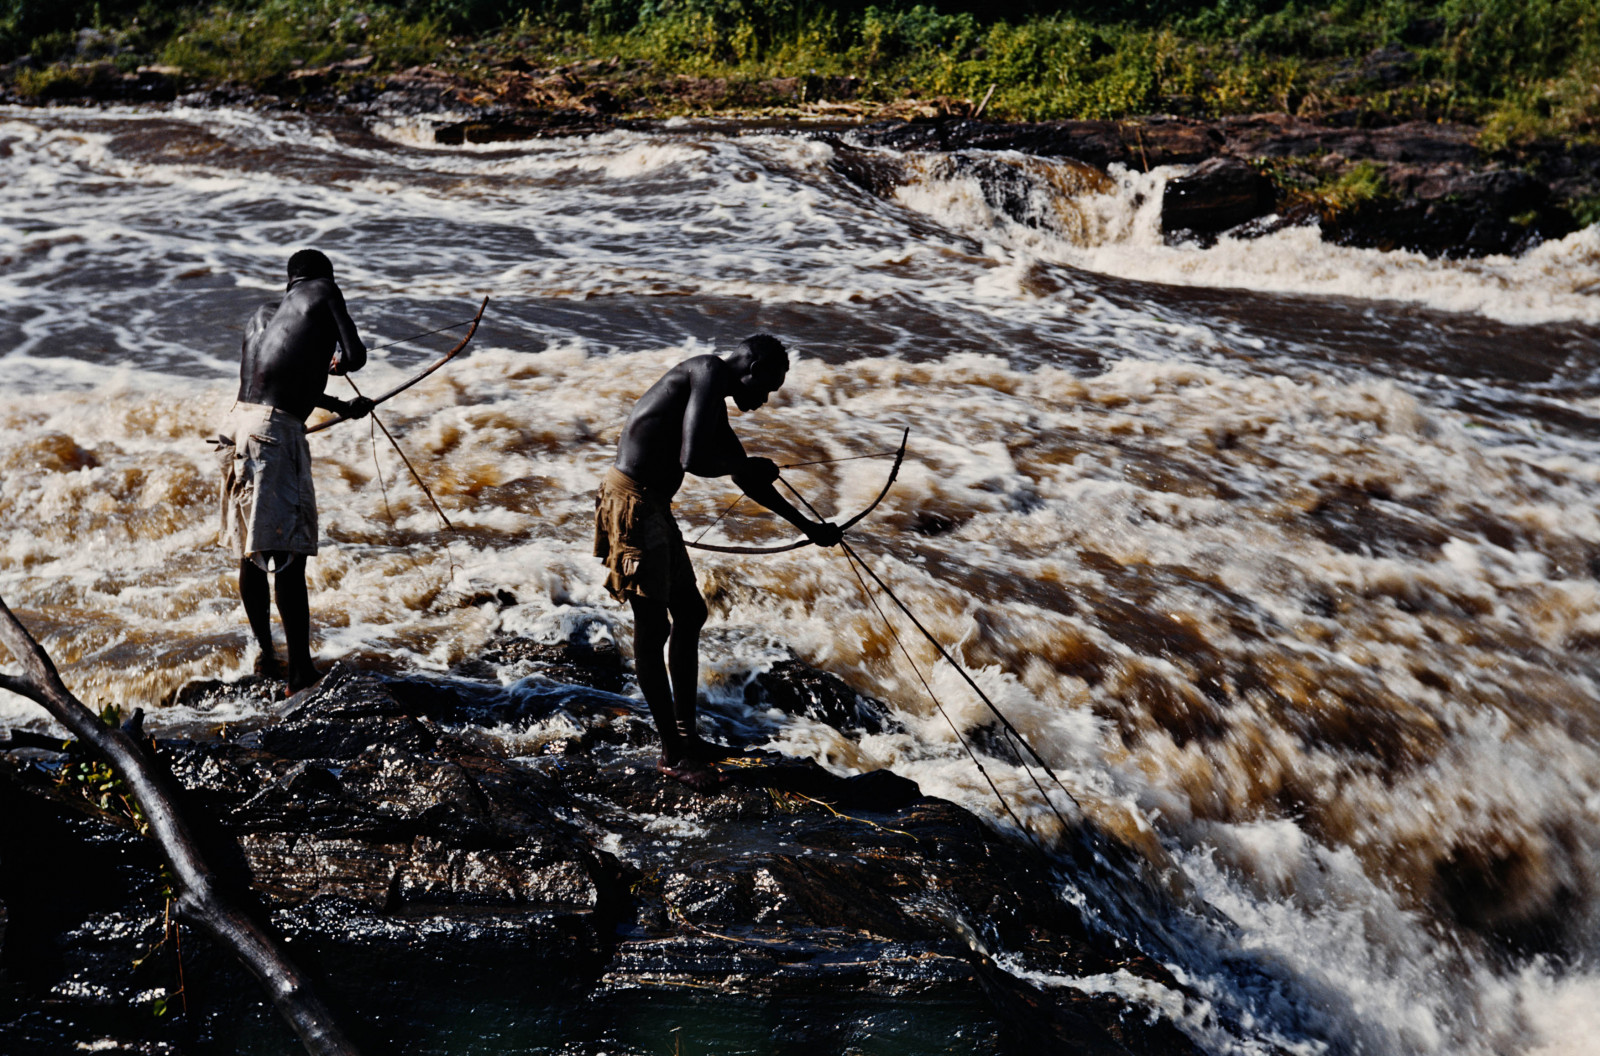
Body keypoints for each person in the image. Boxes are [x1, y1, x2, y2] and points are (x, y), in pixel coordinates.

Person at [594, 334, 842, 791]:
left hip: (654, 507)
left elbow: (744, 476)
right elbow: (693, 458)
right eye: (766, 387)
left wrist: (810, 528)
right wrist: (749, 465)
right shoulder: (706, 370)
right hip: (632, 504)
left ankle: (687, 738)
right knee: (653, 629)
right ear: (752, 367)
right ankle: (673, 754)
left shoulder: (712, 398)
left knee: (690, 613)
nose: (764, 400)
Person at [216, 249, 373, 694]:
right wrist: (338, 364)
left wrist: (339, 405)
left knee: (251, 552)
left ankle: (267, 655)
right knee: (287, 557)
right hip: (274, 435)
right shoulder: (324, 290)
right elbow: (355, 356)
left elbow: (274, 379)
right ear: (321, 276)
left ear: (289, 281)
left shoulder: (262, 316)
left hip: (237, 426)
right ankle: (300, 674)